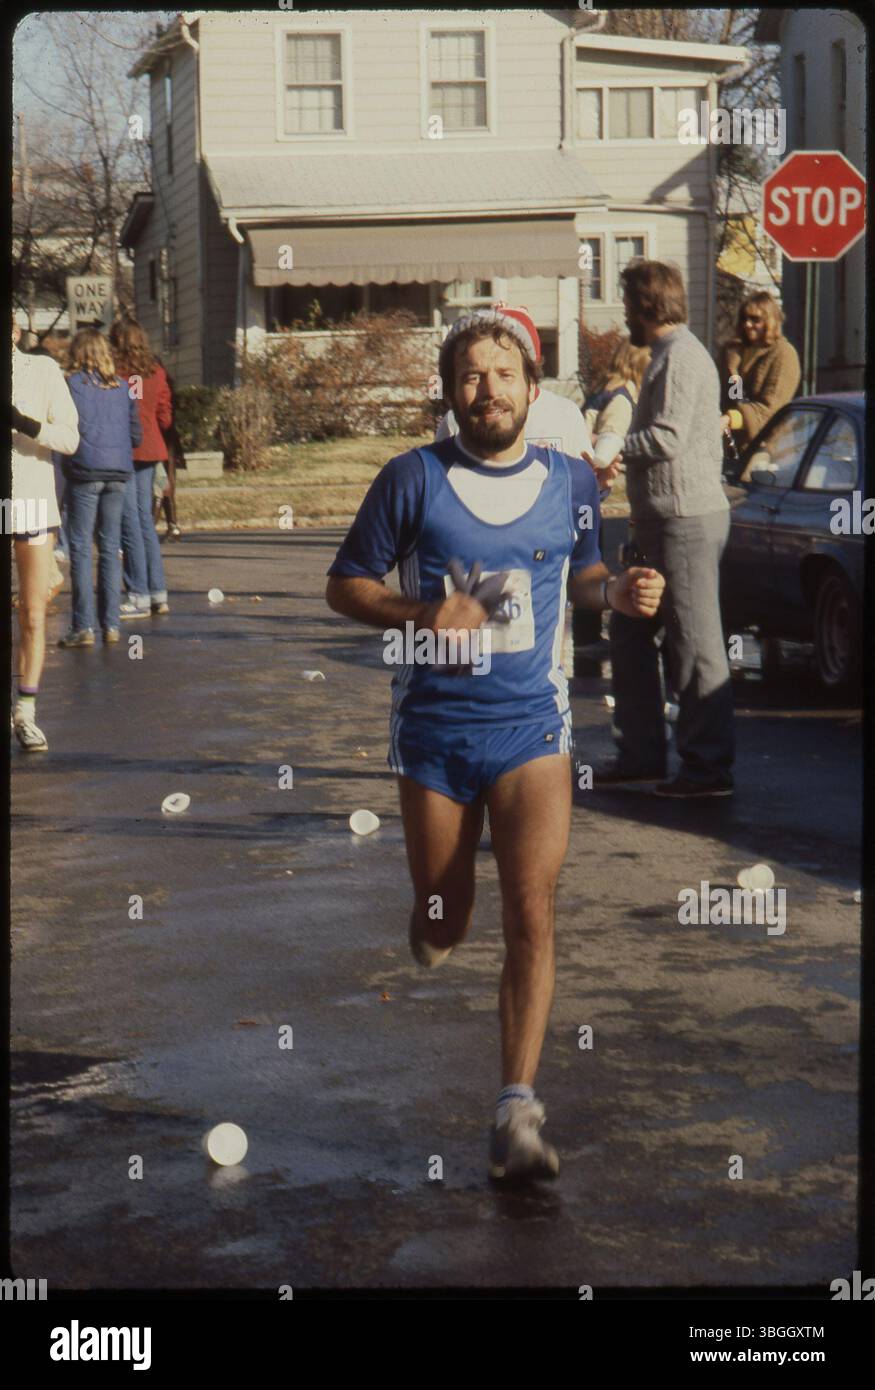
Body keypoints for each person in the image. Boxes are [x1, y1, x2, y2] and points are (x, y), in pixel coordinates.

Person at [325, 306, 664, 1182]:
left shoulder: (569, 483)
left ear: (531, 387)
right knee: (445, 916)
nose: (488, 389)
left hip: (531, 730)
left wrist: (614, 594)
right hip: (434, 732)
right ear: (449, 394)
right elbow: (346, 585)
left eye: (503, 374)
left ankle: (516, 1107)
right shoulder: (411, 479)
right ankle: (435, 915)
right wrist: (418, 612)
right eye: (470, 376)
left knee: (531, 909)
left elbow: (581, 573)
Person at [595, 260, 735, 798]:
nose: (625, 313)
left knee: (695, 643)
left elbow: (668, 437)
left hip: (685, 518)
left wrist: (610, 449)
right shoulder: (668, 356)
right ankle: (641, 754)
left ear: (647, 304)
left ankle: (706, 769)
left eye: (628, 302)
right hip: (661, 518)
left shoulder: (680, 357)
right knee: (630, 628)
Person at [10, 312, 80, 751]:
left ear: (14, 333)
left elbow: (70, 439)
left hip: (30, 502)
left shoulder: (41, 370)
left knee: (33, 614)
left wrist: (24, 423)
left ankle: (26, 712)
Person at [56, 329, 142, 647]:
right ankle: (112, 624)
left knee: (80, 549)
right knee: (109, 549)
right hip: (119, 472)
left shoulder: (72, 385)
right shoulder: (122, 387)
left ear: (78, 353)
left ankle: (83, 626)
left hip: (85, 471)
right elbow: (136, 435)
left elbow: (64, 429)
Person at [435, 304, 594, 460]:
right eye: (474, 377)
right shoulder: (453, 420)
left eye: (505, 374)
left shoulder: (565, 412)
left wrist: (598, 484)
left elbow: (584, 474)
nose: (492, 390)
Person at [108, 319, 172, 616]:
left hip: (124, 448)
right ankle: (158, 591)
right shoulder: (156, 371)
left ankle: (138, 594)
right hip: (151, 447)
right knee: (145, 520)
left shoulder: (114, 373)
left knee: (129, 520)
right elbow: (165, 417)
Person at [718, 291, 801, 448]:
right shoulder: (732, 352)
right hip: (730, 446)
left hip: (769, 449)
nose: (747, 324)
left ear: (770, 321)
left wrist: (729, 419)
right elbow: (727, 397)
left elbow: (769, 411)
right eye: (744, 318)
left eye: (755, 319)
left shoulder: (783, 354)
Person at [152, 359, 185, 539]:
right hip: (169, 438)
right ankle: (172, 523)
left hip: (162, 439)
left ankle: (161, 521)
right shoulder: (168, 388)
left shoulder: (159, 387)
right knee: (166, 481)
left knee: (162, 481)